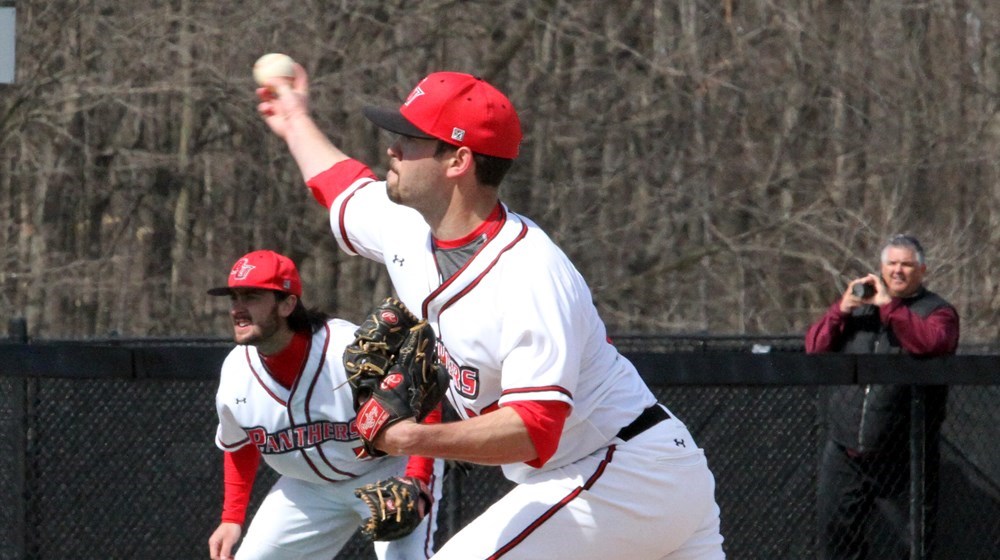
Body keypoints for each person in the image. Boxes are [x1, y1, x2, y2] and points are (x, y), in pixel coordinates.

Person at [256, 66, 725, 559]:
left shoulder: (529, 272)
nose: (392, 149)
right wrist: (293, 119)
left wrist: (411, 437)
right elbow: (340, 186)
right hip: (626, 478)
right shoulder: (408, 228)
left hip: (624, 470)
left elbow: (532, 426)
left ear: (458, 160)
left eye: (411, 139)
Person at [205, 249, 443, 560]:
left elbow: (426, 401)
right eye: (233, 298)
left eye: (251, 296)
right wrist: (231, 518)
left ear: (288, 303)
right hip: (309, 489)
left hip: (387, 468)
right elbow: (240, 443)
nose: (237, 308)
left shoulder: (347, 350)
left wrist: (417, 477)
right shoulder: (236, 371)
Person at [805, 234, 959, 560]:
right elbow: (815, 349)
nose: (898, 271)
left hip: (905, 454)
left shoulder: (937, 311)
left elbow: (930, 344)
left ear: (922, 270)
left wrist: (889, 307)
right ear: (881, 268)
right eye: (891, 264)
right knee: (836, 538)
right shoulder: (860, 312)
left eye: (906, 264)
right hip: (847, 448)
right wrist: (841, 309)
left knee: (912, 545)